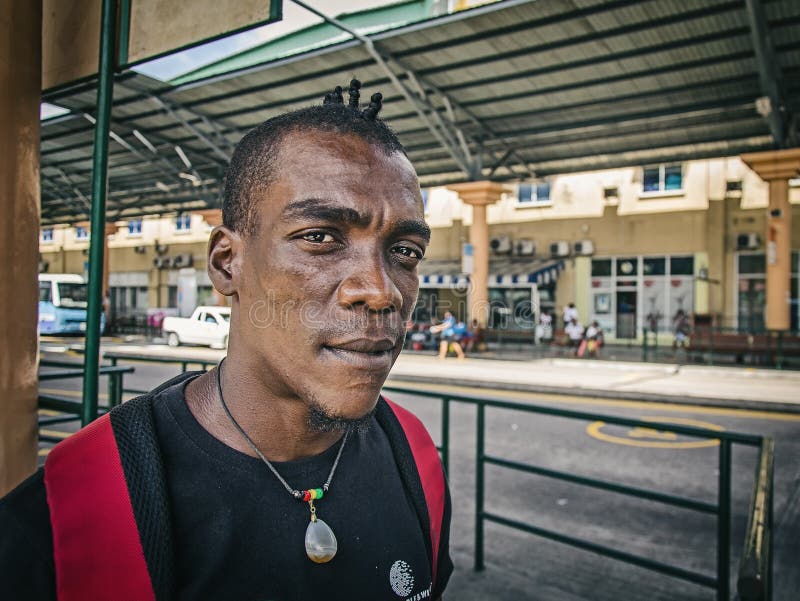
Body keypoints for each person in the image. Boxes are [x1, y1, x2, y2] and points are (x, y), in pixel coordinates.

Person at [0, 81, 453, 601]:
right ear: (226, 263)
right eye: (320, 237)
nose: (380, 291)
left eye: (406, 250)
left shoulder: (416, 458)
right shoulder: (71, 513)